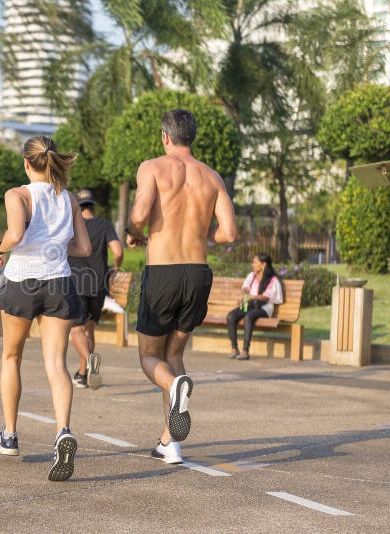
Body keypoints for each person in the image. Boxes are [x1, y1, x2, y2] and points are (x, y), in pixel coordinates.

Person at [127, 109, 237, 465]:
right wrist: (201, 231)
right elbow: (229, 233)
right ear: (192, 136)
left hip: (163, 272)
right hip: (198, 273)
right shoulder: (212, 176)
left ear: (165, 136)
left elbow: (140, 214)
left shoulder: (153, 167)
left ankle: (174, 388)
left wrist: (134, 234)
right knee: (175, 356)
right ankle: (169, 443)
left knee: (150, 357)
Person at [0, 135, 91, 482]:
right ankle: (63, 430)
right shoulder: (69, 199)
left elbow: (15, 234)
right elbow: (83, 247)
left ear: (26, 163)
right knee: (56, 364)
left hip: (22, 282)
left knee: (11, 357)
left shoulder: (17, 194)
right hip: (59, 283)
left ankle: (10, 435)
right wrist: (55, 244)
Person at [68, 188, 123, 390]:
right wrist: (116, 267)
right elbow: (117, 250)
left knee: (76, 330)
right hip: (99, 284)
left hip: (75, 283)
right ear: (92, 205)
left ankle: (90, 360)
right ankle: (83, 374)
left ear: (77, 206)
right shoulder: (104, 225)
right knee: (89, 330)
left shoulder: (71, 226)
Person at [227, 253, 283, 360]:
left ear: (263, 264)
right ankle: (234, 349)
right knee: (231, 316)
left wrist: (252, 297)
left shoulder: (272, 280)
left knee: (249, 316)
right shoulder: (252, 276)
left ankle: (245, 351)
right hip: (250, 305)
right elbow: (246, 288)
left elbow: (266, 297)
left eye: (255, 262)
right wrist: (244, 295)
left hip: (264, 308)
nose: (253, 265)